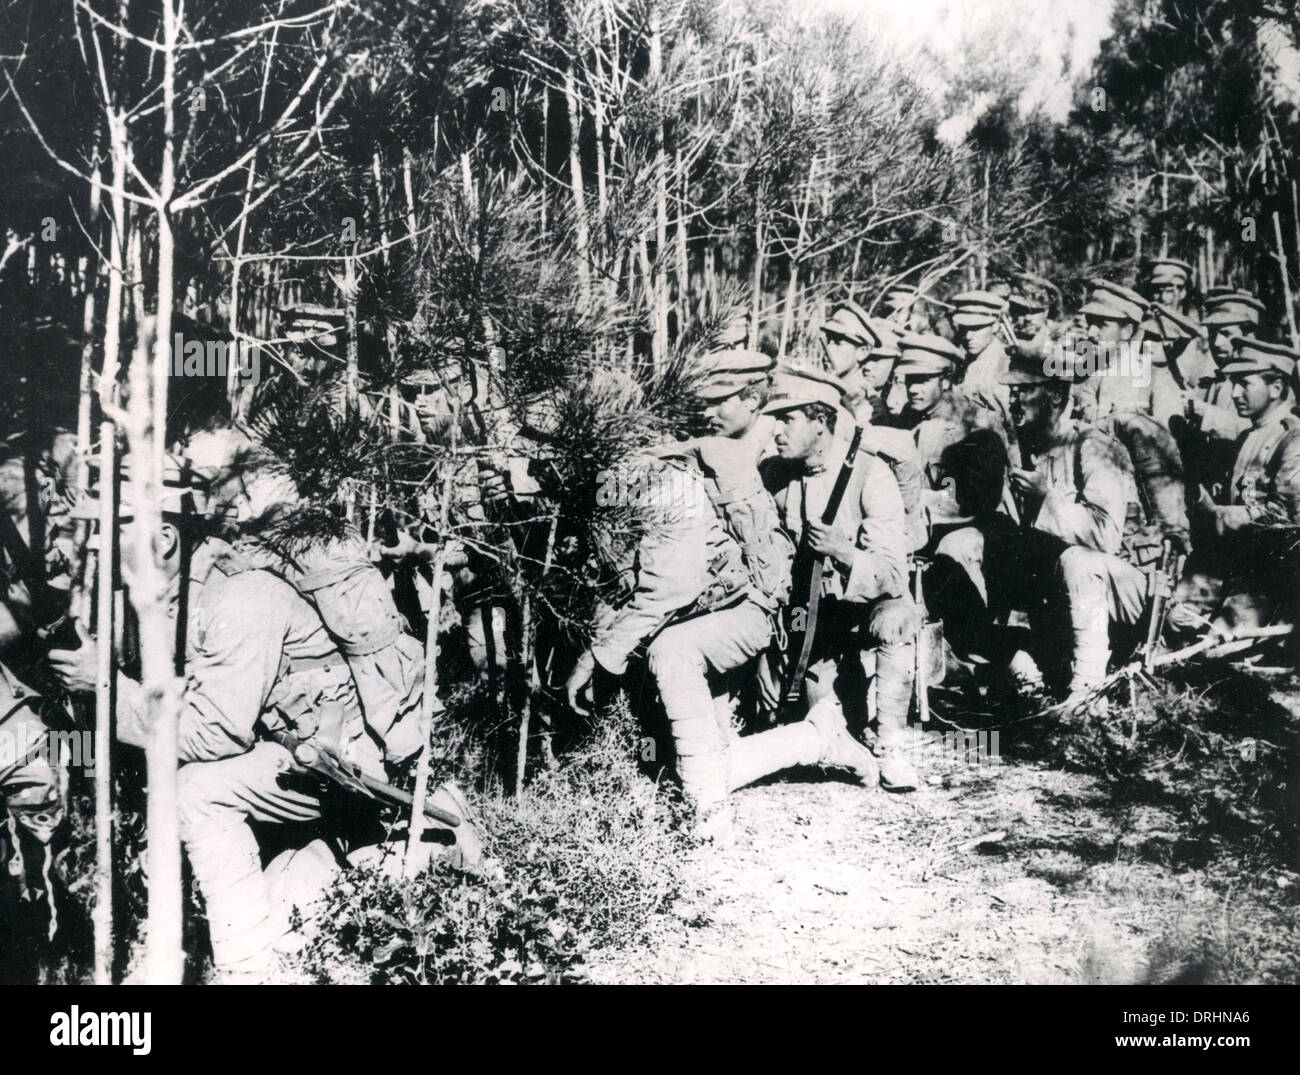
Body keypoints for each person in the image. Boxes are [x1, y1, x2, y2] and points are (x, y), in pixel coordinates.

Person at [48, 459, 478, 981]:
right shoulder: (179, 593)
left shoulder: (240, 594)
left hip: (339, 758)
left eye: (108, 532)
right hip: (289, 746)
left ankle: (247, 970)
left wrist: (107, 689)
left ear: (163, 539)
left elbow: (215, 733)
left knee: (195, 791)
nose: (93, 548)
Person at [565, 446, 880, 843]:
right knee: (701, 761)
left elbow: (670, 588)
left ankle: (709, 814)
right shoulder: (589, 480)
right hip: (678, 619)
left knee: (673, 653)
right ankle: (816, 738)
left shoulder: (663, 481)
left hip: (741, 608)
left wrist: (599, 654)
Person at [924, 351, 1148, 700]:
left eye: (1025, 391)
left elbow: (1106, 537)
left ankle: (1087, 691)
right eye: (1012, 391)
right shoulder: (1025, 445)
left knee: (1078, 562)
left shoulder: (1094, 445)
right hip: (1050, 580)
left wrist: (1048, 497)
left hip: (1115, 585)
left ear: (1056, 395)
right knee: (958, 546)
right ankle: (1008, 660)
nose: (1015, 400)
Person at [760, 368, 921, 791]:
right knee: (824, 723)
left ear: (820, 421)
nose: (775, 431)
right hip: (812, 622)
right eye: (773, 419)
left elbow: (891, 573)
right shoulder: (777, 475)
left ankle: (892, 744)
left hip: (867, 607)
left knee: (897, 621)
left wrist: (844, 553)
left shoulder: (870, 475)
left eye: (787, 419)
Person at [1172, 338, 1300, 640]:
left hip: (1270, 574)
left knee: (1217, 644)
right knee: (1176, 621)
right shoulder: (1249, 435)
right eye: (1233, 384)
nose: (1234, 393)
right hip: (1229, 561)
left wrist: (1222, 516)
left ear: (1276, 388)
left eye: (1244, 384)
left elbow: (1289, 519)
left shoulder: (1291, 440)